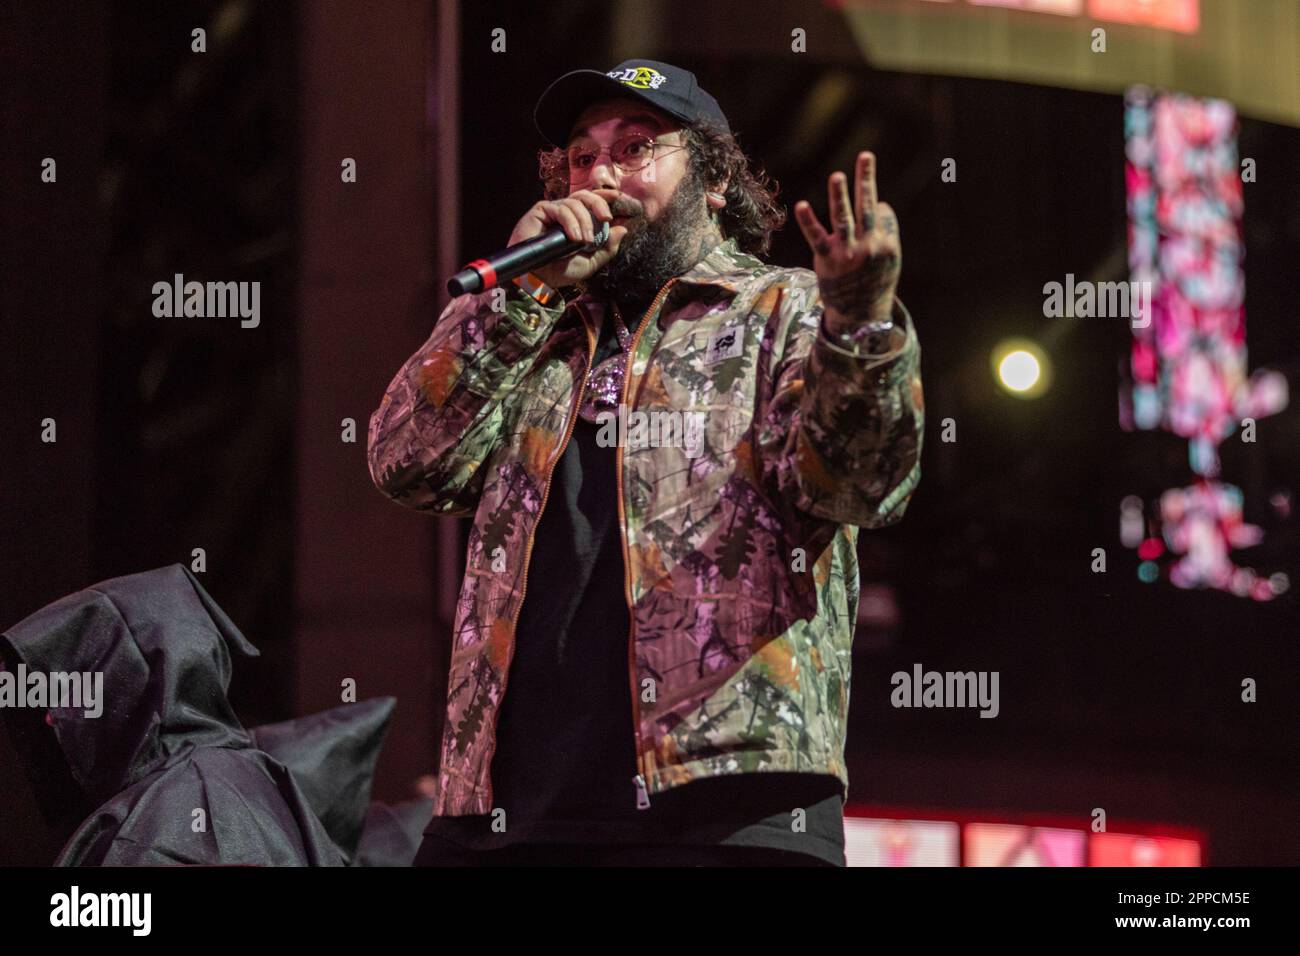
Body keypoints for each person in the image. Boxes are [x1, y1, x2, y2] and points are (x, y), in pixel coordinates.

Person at [367, 59, 924, 867]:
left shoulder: (782, 308)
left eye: (636, 148)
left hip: (725, 797)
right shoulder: (535, 323)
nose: (602, 175)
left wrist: (864, 326)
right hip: (511, 808)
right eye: (583, 156)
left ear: (715, 180)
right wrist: (517, 301)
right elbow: (406, 463)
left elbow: (862, 483)